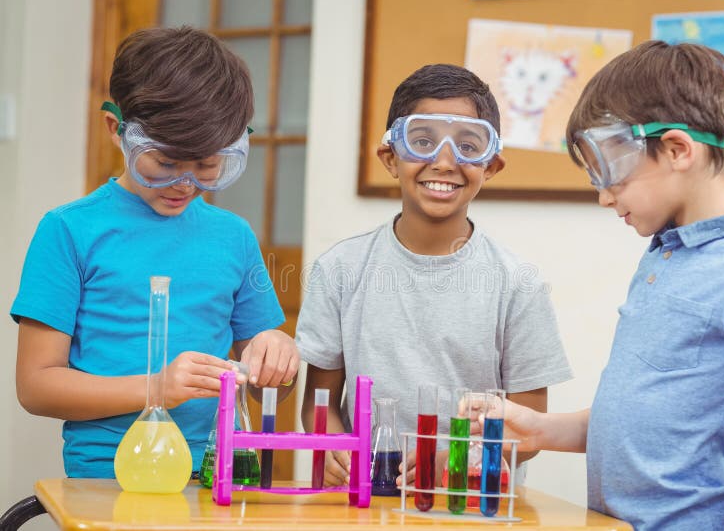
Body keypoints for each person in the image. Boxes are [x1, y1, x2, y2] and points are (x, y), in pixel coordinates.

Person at [496, 40, 724, 530]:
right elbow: (645, 419)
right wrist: (541, 431)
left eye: (610, 171)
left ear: (678, 148)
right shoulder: (663, 254)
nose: (602, 196)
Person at [11, 26, 299, 479]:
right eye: (165, 162)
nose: (186, 183)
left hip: (211, 476)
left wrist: (277, 358)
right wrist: (157, 389)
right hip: (108, 480)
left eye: (207, 165)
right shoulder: (69, 230)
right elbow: (35, 385)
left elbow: (263, 388)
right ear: (117, 130)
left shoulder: (234, 237)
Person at [295, 63, 572, 486]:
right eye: (422, 141)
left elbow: (530, 429)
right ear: (390, 158)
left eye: (467, 145)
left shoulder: (518, 284)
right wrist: (329, 442)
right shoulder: (339, 270)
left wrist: (458, 461)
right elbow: (320, 404)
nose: (444, 162)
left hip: (473, 506)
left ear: (491, 166)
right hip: (367, 499)